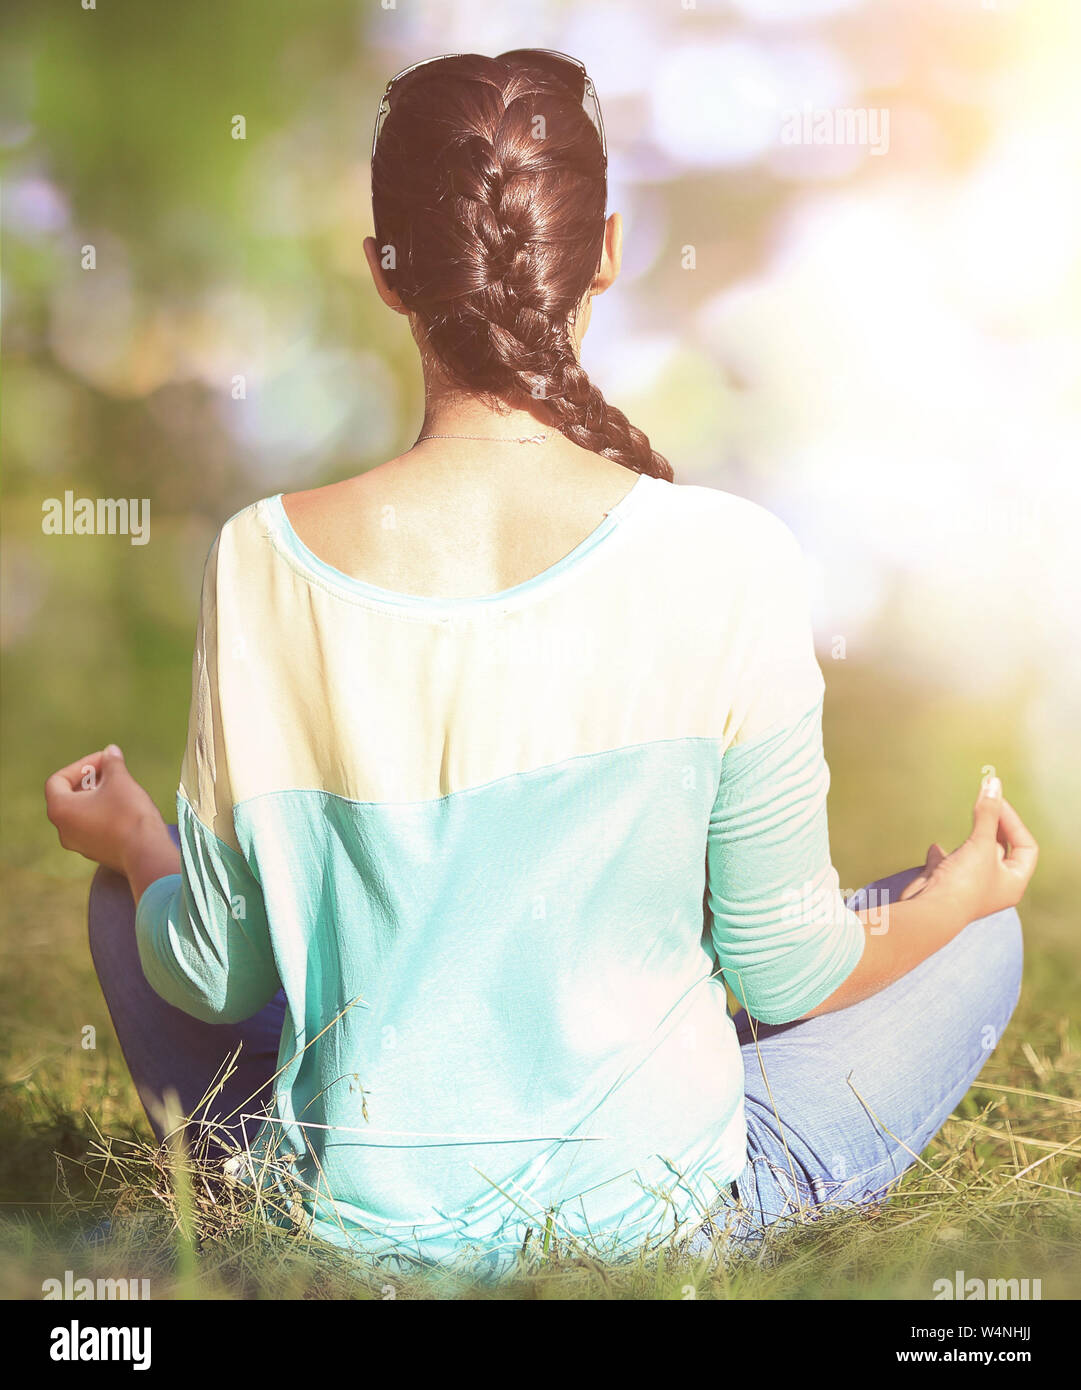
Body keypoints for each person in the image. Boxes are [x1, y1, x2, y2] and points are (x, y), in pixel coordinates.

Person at [44, 51, 1037, 1275]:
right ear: (605, 250)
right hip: (657, 1214)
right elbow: (790, 965)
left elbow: (217, 967)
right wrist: (956, 900)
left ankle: (273, 1178)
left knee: (124, 902)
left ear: (383, 268)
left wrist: (139, 843)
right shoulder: (733, 555)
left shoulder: (265, 560)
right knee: (978, 940)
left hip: (352, 1223)